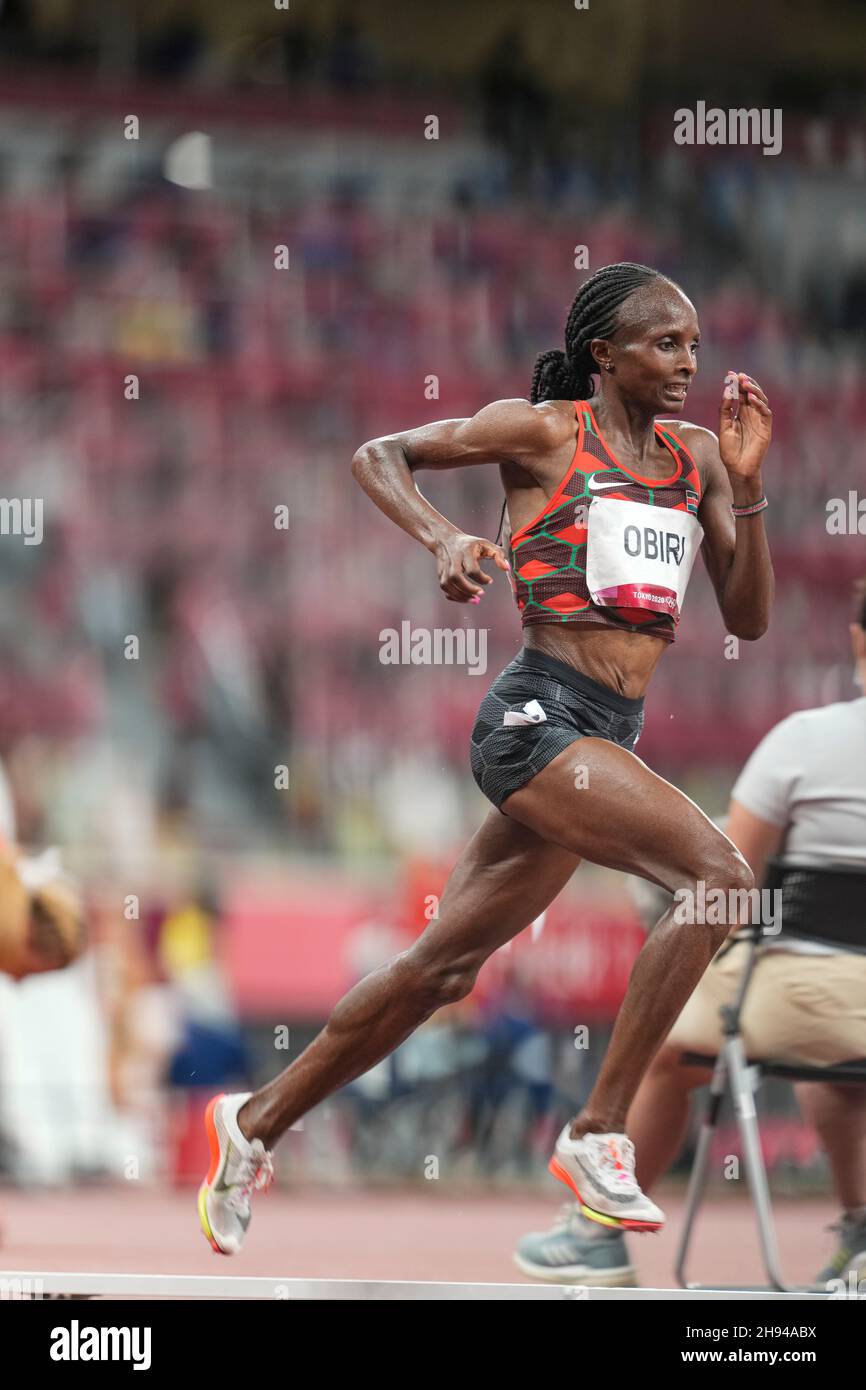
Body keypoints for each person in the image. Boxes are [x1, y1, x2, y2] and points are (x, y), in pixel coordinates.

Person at [198, 260, 774, 1256]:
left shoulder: (697, 459)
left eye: (692, 344)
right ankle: (597, 1133)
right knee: (719, 880)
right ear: (603, 353)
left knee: (441, 970)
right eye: (663, 343)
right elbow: (379, 453)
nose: (687, 362)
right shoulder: (544, 430)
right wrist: (438, 540)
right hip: (536, 721)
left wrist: (751, 485)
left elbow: (752, 617)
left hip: (605, 738)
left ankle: (251, 1125)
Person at [515, 580, 866, 1289]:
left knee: (675, 1044)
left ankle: (595, 1234)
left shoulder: (807, 741)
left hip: (801, 995)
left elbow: (726, 886)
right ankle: (860, 1236)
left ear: (859, 641)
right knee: (834, 1070)